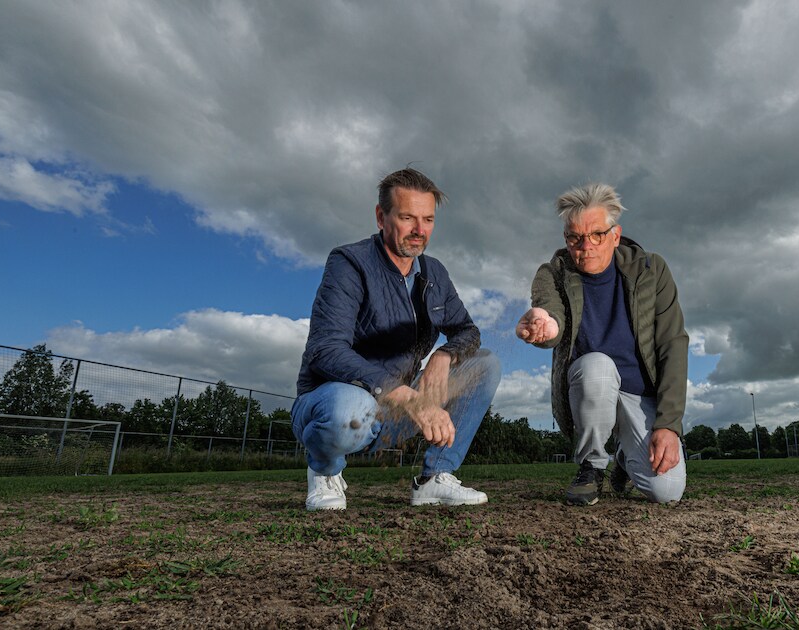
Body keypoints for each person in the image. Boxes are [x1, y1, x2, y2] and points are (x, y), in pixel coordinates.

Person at [291, 167, 500, 511]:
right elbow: (324, 349)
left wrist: (444, 355)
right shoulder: (349, 262)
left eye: (428, 219)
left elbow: (468, 331)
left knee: (486, 364)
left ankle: (435, 478)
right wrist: (403, 393)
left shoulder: (434, 273)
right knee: (349, 407)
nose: (420, 231)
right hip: (335, 404)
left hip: (394, 411)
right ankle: (324, 471)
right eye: (407, 217)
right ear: (381, 217)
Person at [516, 183, 688, 505]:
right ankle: (592, 466)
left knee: (666, 491)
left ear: (615, 235)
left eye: (597, 234)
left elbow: (673, 344)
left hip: (641, 393)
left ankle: (623, 457)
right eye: (575, 238)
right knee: (597, 365)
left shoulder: (652, 270)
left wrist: (669, 424)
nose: (586, 246)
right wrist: (543, 324)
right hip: (592, 386)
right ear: (566, 239)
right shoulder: (552, 273)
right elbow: (551, 317)